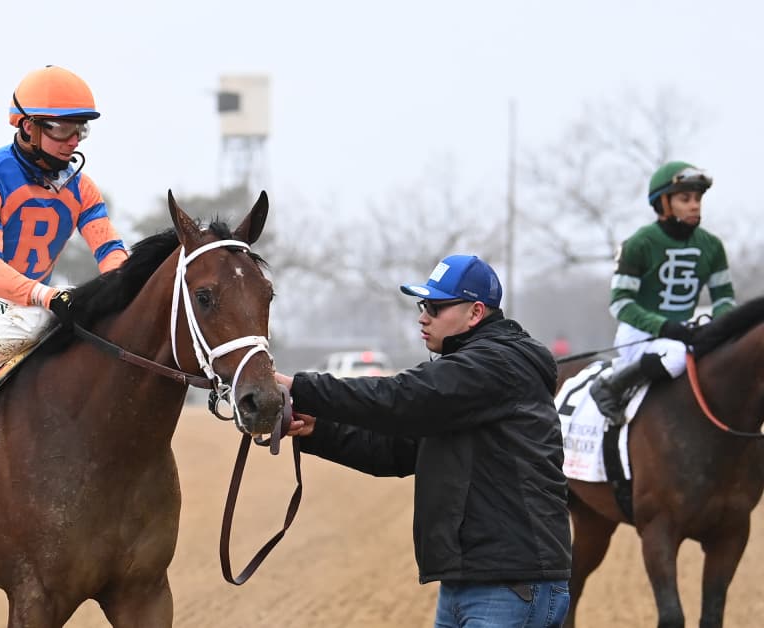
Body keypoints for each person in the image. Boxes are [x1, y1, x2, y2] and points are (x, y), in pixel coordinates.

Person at [275, 254, 572, 628]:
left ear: (475, 312)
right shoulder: (467, 378)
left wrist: (300, 388)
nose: (423, 317)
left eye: (435, 307)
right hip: (471, 582)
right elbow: (394, 451)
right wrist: (319, 430)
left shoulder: (495, 364)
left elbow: (400, 397)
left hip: (511, 585)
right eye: (423, 305)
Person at [0, 65, 129, 430]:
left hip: (29, 304)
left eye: (81, 129)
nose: (74, 140)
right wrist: (46, 296)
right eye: (63, 129)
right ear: (28, 127)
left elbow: (110, 250)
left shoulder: (82, 187)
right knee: (44, 315)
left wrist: (127, 286)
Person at [588, 161, 736, 424]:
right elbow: (621, 304)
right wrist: (663, 326)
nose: (695, 205)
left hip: (683, 332)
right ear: (664, 204)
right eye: (685, 199)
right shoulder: (639, 244)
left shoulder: (712, 246)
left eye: (698, 198)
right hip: (638, 334)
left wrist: (720, 325)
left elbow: (724, 298)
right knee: (677, 355)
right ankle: (611, 387)